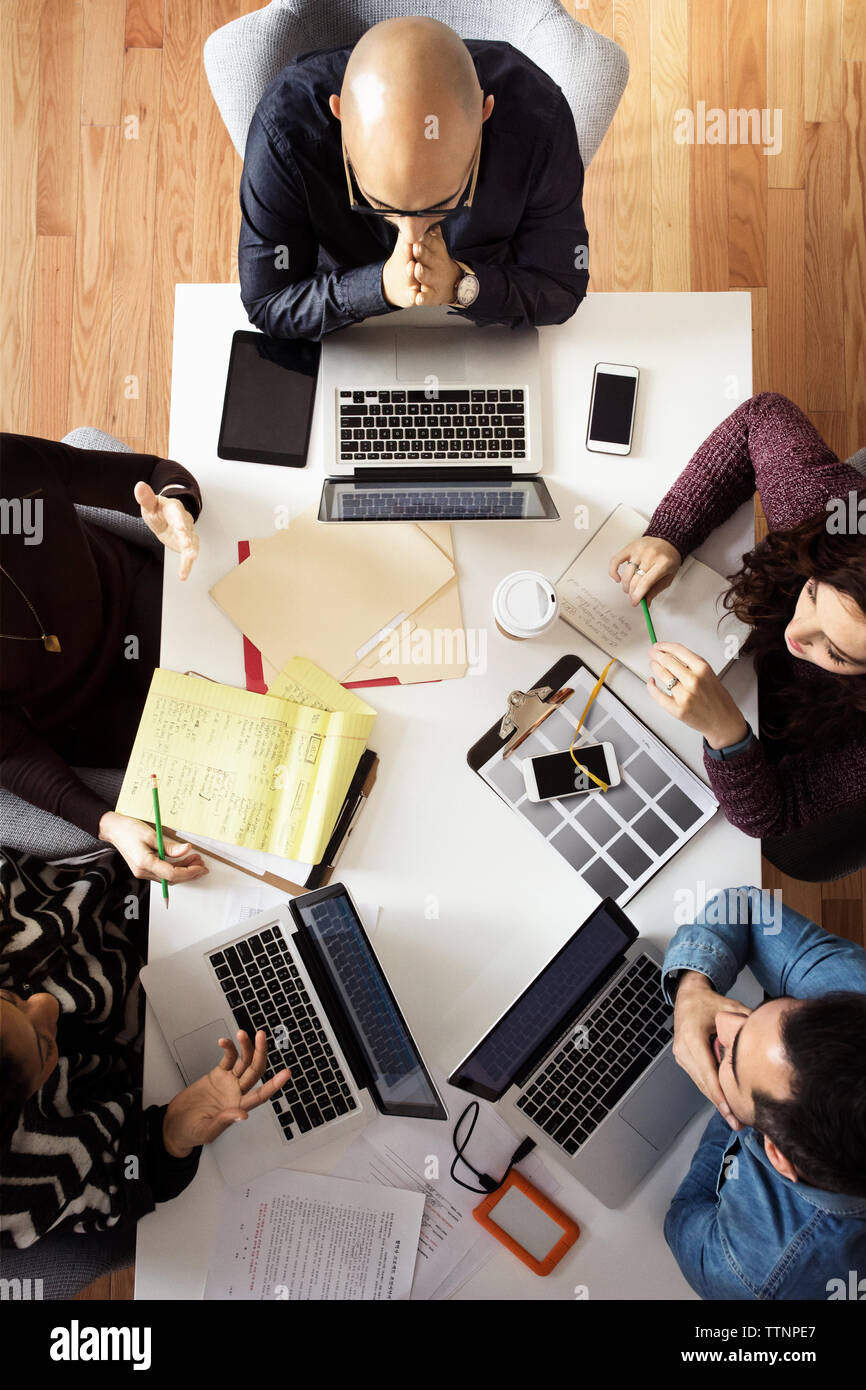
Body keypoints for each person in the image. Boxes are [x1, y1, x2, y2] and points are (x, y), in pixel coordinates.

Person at [608, 392, 866, 880]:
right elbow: (759, 417)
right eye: (813, 593)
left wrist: (726, 732)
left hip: (824, 733)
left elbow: (770, 815)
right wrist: (671, 533)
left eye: (835, 651)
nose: (796, 633)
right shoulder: (826, 513)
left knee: (797, 857)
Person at [0, 847, 289, 1248]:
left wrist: (111, 828)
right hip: (153, 1071)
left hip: (146, 902)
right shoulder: (15, 1184)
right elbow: (122, 1185)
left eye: (11, 999)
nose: (46, 1003)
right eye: (44, 1046)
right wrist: (170, 1136)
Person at [238, 16, 589, 340]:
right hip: (346, 329)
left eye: (443, 203)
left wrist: (461, 284)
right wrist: (377, 287)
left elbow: (562, 286)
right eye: (378, 203)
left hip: (484, 325)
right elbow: (268, 301)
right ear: (339, 113)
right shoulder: (285, 129)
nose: (412, 239)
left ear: (484, 114)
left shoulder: (540, 119)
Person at [0, 432, 208, 886]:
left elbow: (152, 475)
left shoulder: (9, 463)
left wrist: (175, 503)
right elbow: (9, 751)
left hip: (142, 595)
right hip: (92, 714)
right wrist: (106, 822)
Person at [662, 884, 866, 1300]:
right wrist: (693, 991)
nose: (723, 1021)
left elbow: (682, 1218)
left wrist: (728, 1115)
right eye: (784, 1004)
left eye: (732, 1057)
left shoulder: (755, 1275)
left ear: (777, 1155)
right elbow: (743, 906)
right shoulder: (853, 989)